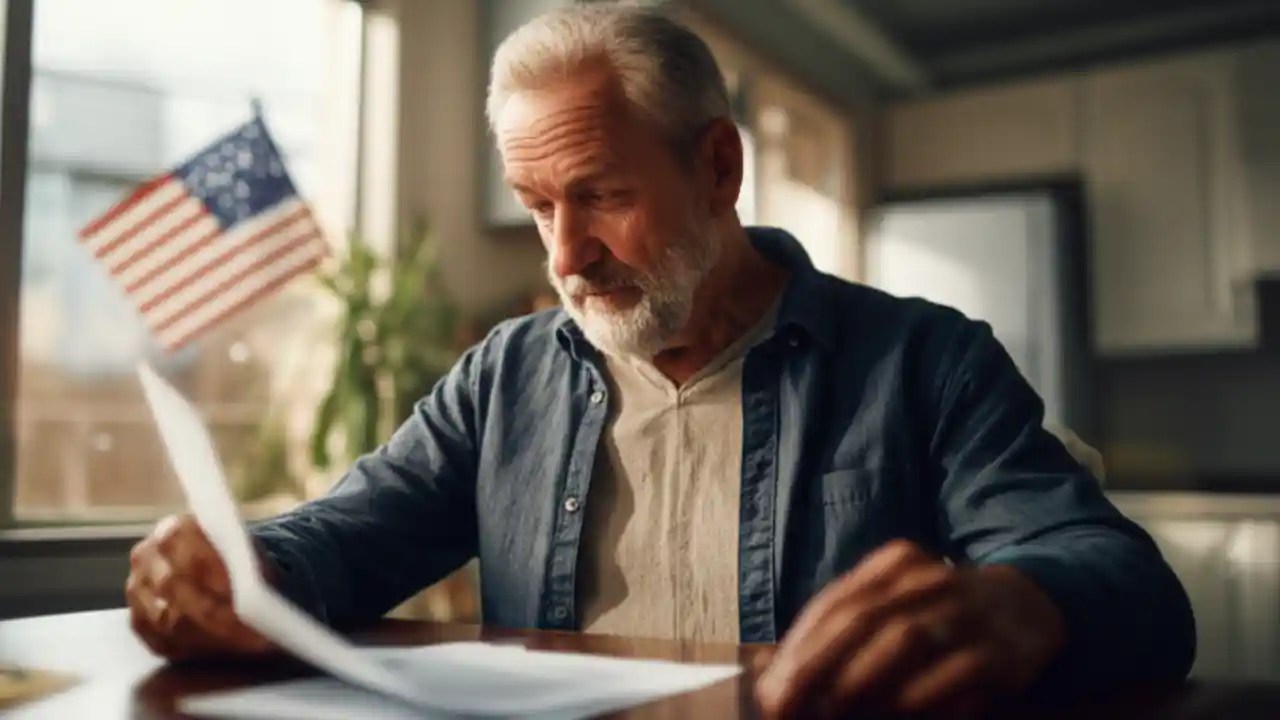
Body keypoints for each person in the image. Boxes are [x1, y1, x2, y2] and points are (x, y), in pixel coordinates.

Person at [125, 5, 1195, 717]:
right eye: (536, 205)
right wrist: (242, 572)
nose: (563, 254)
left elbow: (1124, 584)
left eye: (598, 195)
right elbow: (348, 535)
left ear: (717, 166)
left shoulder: (926, 362)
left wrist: (1020, 602)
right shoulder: (504, 377)